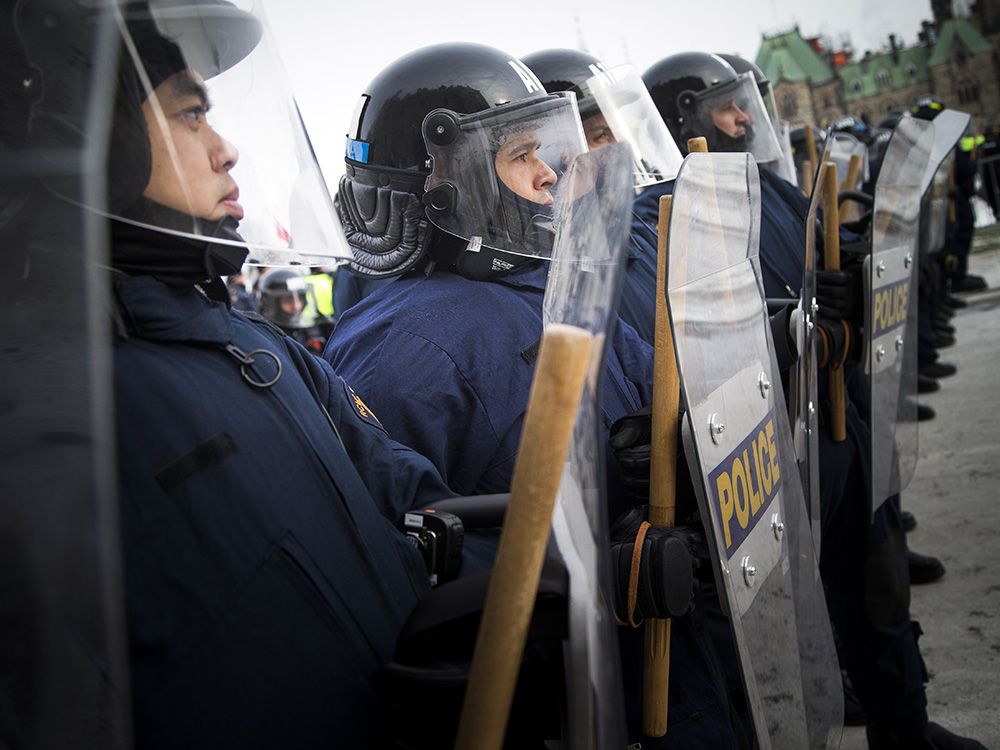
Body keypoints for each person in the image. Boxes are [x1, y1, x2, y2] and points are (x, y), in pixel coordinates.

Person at [15, 2, 496, 747]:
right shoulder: (41, 412)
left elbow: (420, 503)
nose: (226, 148)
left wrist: (526, 599)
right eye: (189, 117)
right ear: (86, 137)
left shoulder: (259, 349)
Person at [324, 42, 741, 749]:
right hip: (567, 699)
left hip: (659, 662)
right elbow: (396, 558)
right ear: (440, 182)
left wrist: (680, 443)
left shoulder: (545, 289)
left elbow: (654, 393)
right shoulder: (405, 350)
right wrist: (577, 581)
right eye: (520, 156)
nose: (550, 174)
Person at [642, 51, 986, 750]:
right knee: (801, 601)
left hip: (835, 407)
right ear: (683, 121)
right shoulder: (668, 215)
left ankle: (904, 722)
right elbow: (693, 327)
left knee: (877, 577)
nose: (745, 118)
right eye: (727, 107)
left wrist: (855, 269)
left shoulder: (764, 186)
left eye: (747, 104)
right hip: (775, 438)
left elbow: (825, 247)